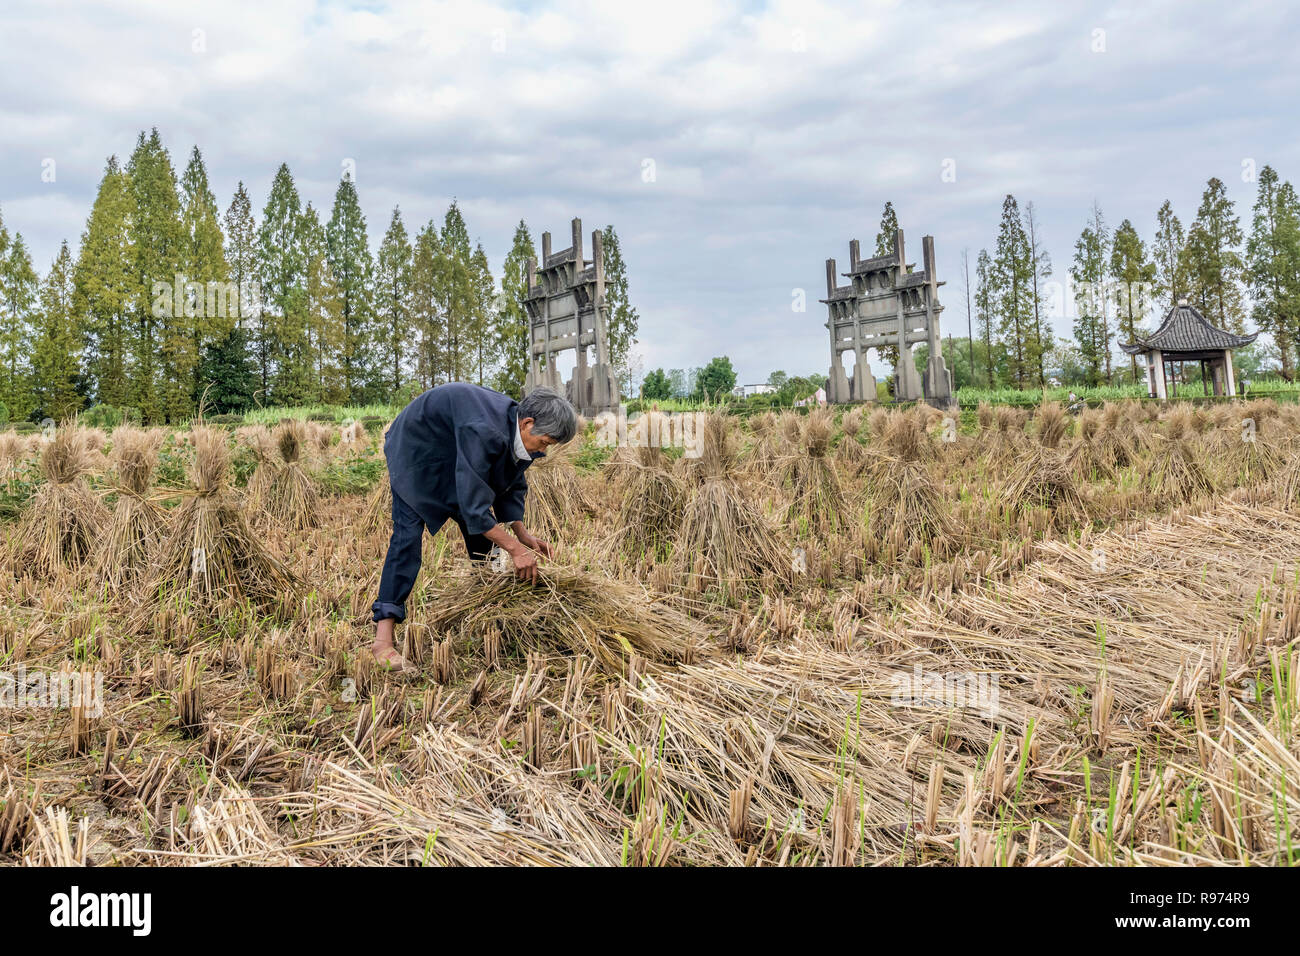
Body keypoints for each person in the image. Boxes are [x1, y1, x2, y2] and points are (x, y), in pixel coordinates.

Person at [370, 383, 578, 672]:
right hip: (416, 450)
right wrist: (515, 549)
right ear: (528, 423)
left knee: (485, 542)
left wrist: (521, 534)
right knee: (407, 538)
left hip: (454, 452)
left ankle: (490, 612)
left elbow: (509, 484)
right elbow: (475, 511)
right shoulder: (484, 430)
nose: (544, 449)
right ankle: (382, 642)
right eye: (545, 442)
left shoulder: (516, 431)